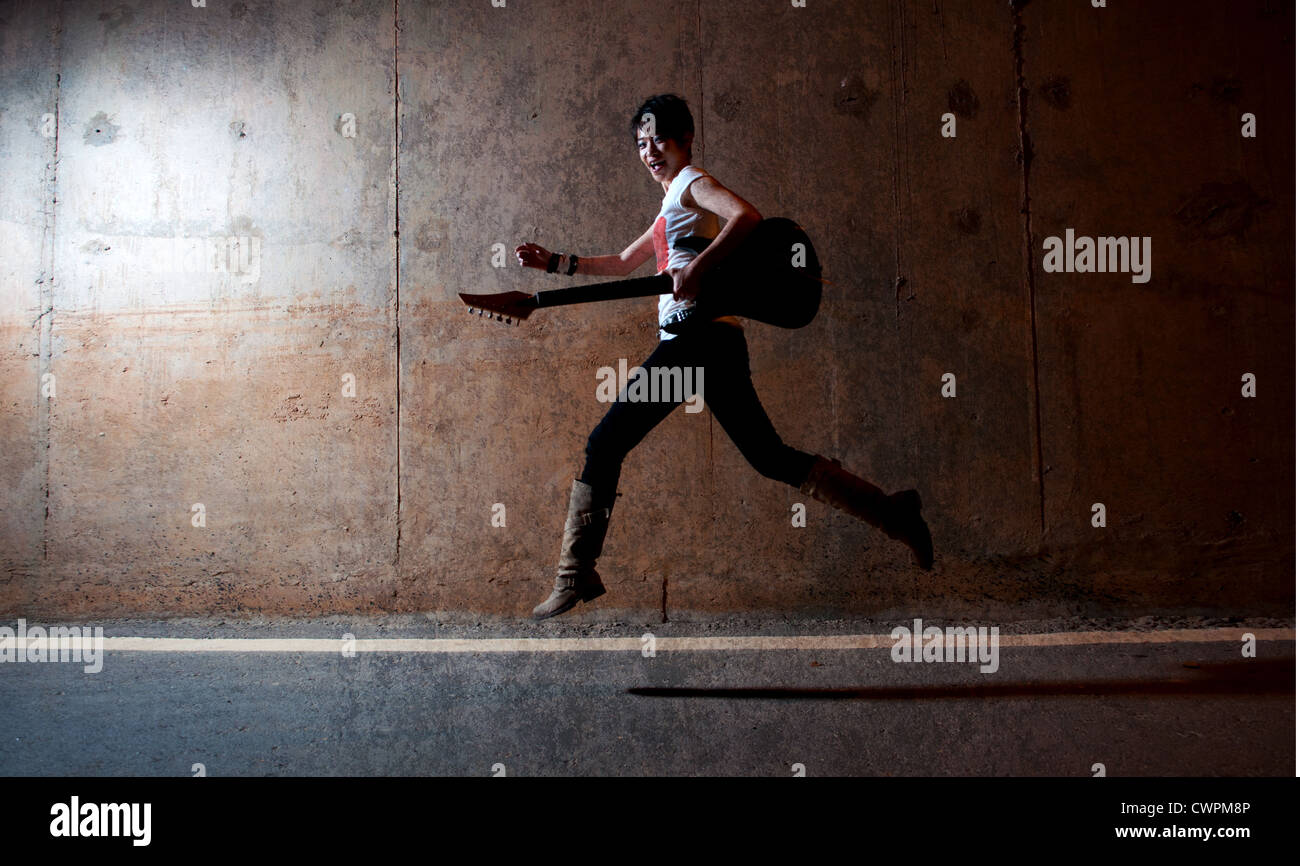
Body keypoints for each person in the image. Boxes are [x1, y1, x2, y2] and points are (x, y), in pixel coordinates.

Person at [515, 94, 933, 620]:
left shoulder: (692, 182)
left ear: (686, 139)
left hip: (696, 339)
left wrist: (700, 269)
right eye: (641, 144)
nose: (650, 152)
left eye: (659, 140)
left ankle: (575, 573)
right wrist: (556, 263)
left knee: (605, 442)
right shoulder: (670, 204)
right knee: (769, 457)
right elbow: (624, 263)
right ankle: (894, 513)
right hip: (712, 343)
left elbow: (747, 217)